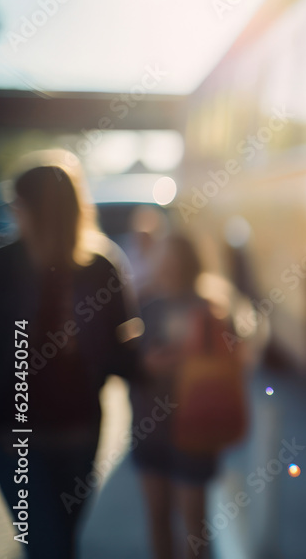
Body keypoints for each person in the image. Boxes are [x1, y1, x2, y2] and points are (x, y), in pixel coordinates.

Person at [0, 150, 142, 558]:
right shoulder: (4, 266)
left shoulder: (101, 267)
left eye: (18, 203)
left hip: (79, 429)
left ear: (40, 210)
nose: (13, 213)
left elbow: (119, 350)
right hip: (14, 435)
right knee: (46, 544)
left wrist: (152, 365)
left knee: (64, 538)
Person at [130, 233, 228, 559]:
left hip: (195, 428)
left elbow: (229, 366)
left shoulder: (211, 308)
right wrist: (144, 363)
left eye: (175, 260)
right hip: (149, 426)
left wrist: (190, 360)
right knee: (157, 518)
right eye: (163, 258)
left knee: (194, 525)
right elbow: (126, 360)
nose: (168, 267)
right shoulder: (143, 304)